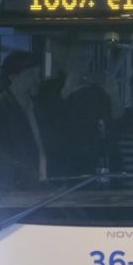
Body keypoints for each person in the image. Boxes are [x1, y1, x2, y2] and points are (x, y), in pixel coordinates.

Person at [38, 41, 118, 176]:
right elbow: (44, 126)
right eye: (80, 58)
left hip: (91, 164)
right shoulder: (47, 89)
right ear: (65, 58)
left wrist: (114, 95)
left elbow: (113, 124)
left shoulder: (96, 90)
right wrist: (65, 94)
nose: (84, 63)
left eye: (88, 58)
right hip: (58, 164)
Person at [0, 50, 48, 187]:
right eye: (30, 75)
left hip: (44, 186)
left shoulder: (39, 107)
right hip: (14, 190)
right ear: (13, 77)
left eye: (38, 75)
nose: (37, 80)